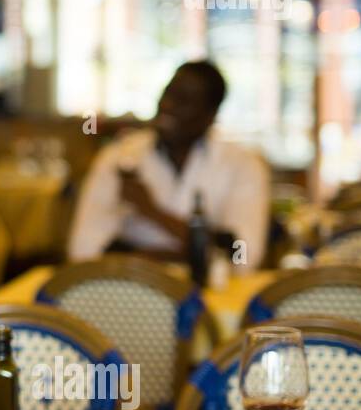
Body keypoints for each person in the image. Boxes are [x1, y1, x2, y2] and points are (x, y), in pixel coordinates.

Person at [67, 60, 269, 271]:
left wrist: (151, 212)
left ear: (211, 116)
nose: (168, 106)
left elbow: (244, 258)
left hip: (210, 299)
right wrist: (199, 254)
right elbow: (83, 251)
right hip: (130, 293)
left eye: (184, 101)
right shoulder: (118, 158)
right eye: (167, 94)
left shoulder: (243, 165)